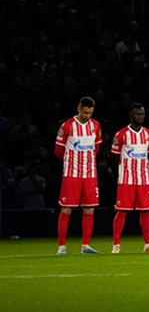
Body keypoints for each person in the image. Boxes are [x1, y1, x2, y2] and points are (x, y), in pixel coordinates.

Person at [54, 97, 102, 255]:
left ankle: (85, 245)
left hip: (90, 174)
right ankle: (62, 247)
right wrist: (70, 161)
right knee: (66, 208)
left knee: (89, 209)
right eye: (85, 112)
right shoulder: (67, 126)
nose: (87, 115)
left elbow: (97, 147)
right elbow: (58, 150)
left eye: (90, 113)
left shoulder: (95, 125)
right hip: (72, 174)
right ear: (79, 108)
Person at [110, 103, 149, 253]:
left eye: (142, 114)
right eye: (137, 114)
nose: (140, 117)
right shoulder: (121, 134)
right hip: (126, 179)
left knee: (146, 211)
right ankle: (116, 246)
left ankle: (148, 245)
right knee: (122, 211)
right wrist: (125, 167)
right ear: (131, 116)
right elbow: (115, 156)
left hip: (144, 180)